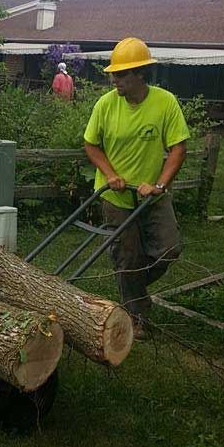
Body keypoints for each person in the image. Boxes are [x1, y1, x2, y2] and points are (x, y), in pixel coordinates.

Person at [84, 37, 189, 337]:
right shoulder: (106, 104)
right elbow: (91, 145)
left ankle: (132, 291)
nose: (114, 80)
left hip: (151, 193)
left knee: (169, 249)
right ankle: (137, 316)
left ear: (140, 73)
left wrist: (159, 184)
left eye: (121, 74)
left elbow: (179, 148)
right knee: (127, 257)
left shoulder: (165, 102)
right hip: (115, 193)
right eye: (113, 74)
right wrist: (110, 174)